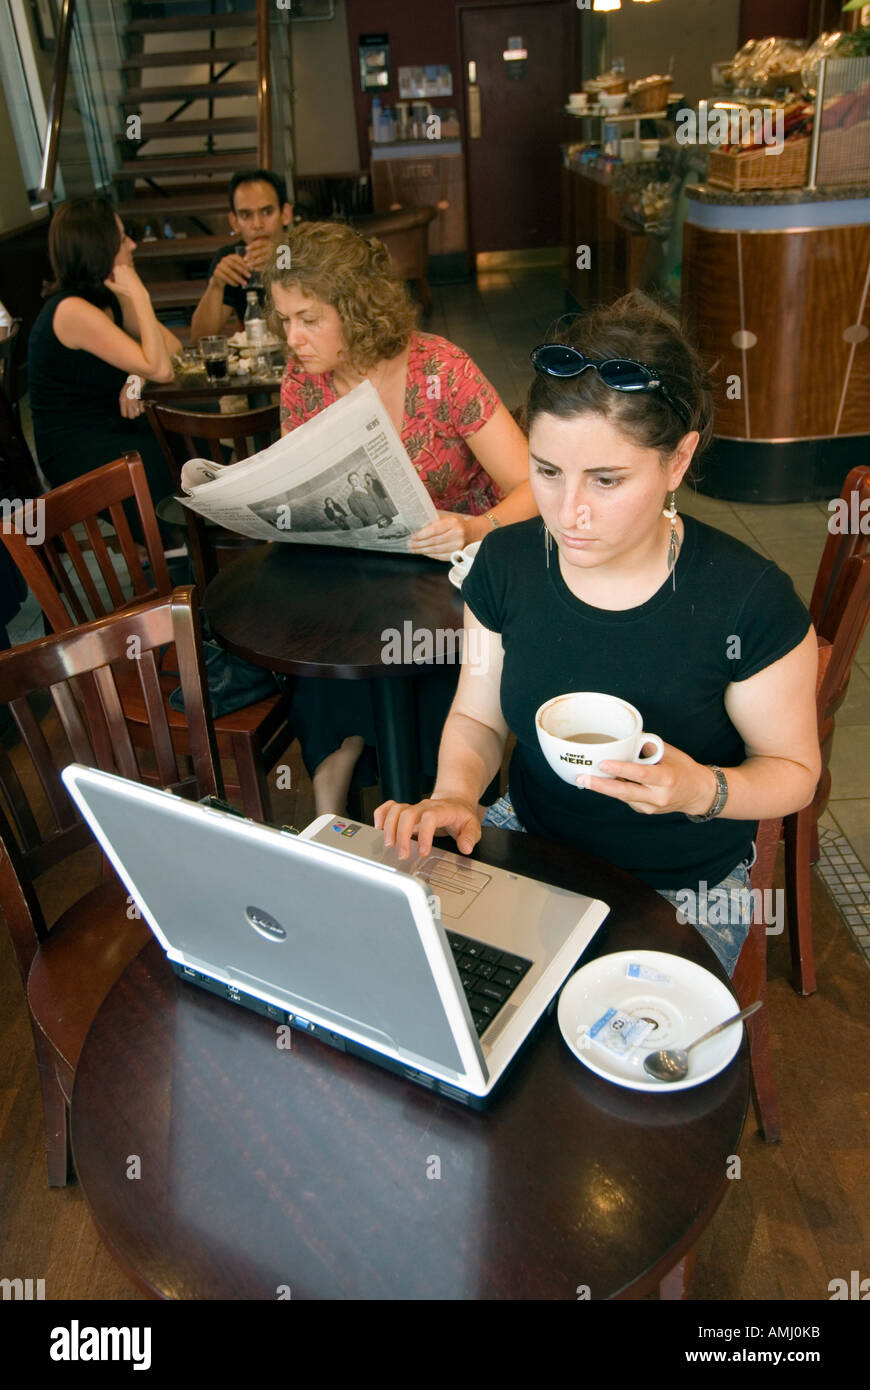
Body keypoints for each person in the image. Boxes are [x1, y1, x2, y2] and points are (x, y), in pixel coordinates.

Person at [374, 293, 821, 976]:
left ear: (677, 462)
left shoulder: (746, 599)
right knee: (416, 983)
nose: (568, 512)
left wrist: (701, 789)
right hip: (531, 840)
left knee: (613, 1058)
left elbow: (794, 772)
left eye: (607, 480)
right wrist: (458, 795)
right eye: (548, 472)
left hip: (683, 884)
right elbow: (476, 716)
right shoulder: (504, 564)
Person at [266, 220, 538, 814]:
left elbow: (534, 487)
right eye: (285, 320)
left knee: (437, 677)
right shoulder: (302, 382)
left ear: (358, 310)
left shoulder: (443, 369)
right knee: (326, 663)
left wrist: (474, 527)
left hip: (449, 577)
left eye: (309, 319)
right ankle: (333, 812)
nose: (294, 338)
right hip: (357, 572)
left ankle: (436, 809)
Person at [28, 197, 182, 542]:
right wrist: (139, 296)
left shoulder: (105, 297)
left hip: (108, 426)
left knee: (185, 427)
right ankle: (172, 556)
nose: (132, 245)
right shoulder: (70, 310)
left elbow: (171, 349)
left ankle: (198, 546)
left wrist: (135, 376)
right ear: (99, 248)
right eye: (122, 238)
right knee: (160, 454)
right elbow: (162, 368)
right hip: (75, 444)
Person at [191, 170, 293, 341]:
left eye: (267, 212)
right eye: (246, 215)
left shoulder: (305, 248)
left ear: (285, 214)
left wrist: (280, 261)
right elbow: (200, 338)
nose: (257, 224)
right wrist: (216, 285)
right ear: (234, 222)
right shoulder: (232, 257)